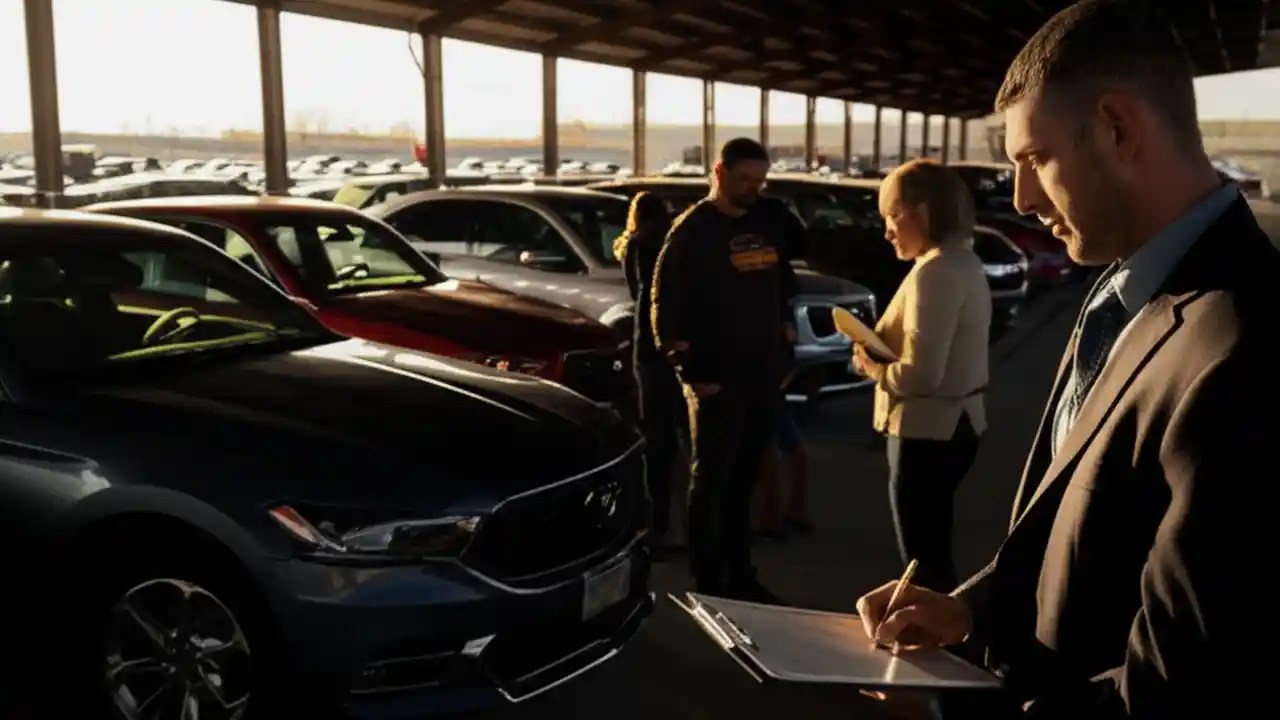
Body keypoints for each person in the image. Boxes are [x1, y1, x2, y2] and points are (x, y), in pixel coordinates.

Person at [855, 1, 1276, 718]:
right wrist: (970, 611)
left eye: (1034, 159)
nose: (1021, 198)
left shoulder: (1245, 346)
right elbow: (1080, 533)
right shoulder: (1124, 291)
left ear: (1117, 128)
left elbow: (1185, 686)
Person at [651, 137, 804, 601]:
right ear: (719, 173)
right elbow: (666, 307)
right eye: (744, 181)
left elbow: (782, 284)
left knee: (744, 480)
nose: (753, 189)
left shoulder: (767, 222)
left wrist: (783, 341)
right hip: (715, 379)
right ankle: (708, 579)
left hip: (762, 375)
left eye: (760, 181)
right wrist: (691, 371)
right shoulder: (692, 232)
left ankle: (741, 573)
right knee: (712, 481)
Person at [852, 158, 991, 593]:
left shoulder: (934, 272)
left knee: (922, 563)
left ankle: (931, 645)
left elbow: (922, 375)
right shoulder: (963, 262)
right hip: (959, 424)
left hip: (926, 430)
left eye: (893, 215)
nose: (887, 230)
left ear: (925, 212)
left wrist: (877, 368)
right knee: (933, 549)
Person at [615, 191, 686, 554]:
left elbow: (636, 294)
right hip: (667, 349)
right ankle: (668, 525)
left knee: (656, 436)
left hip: (646, 349)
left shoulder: (632, 246)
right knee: (674, 439)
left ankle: (657, 525)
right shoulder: (664, 245)